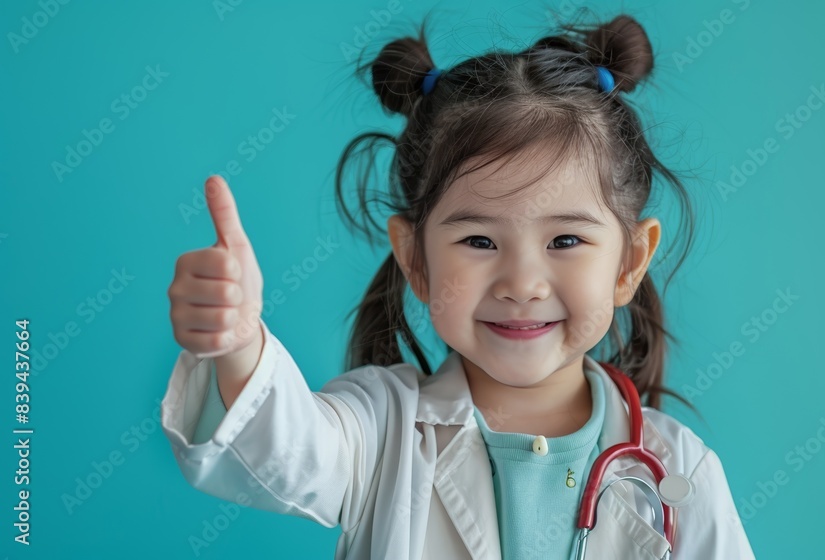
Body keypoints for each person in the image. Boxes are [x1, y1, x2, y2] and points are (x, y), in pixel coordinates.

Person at [161, 13, 756, 560]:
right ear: (415, 259)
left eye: (566, 241)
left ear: (629, 262)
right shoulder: (379, 432)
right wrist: (236, 344)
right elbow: (280, 450)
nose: (522, 284)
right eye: (479, 241)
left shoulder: (680, 473)